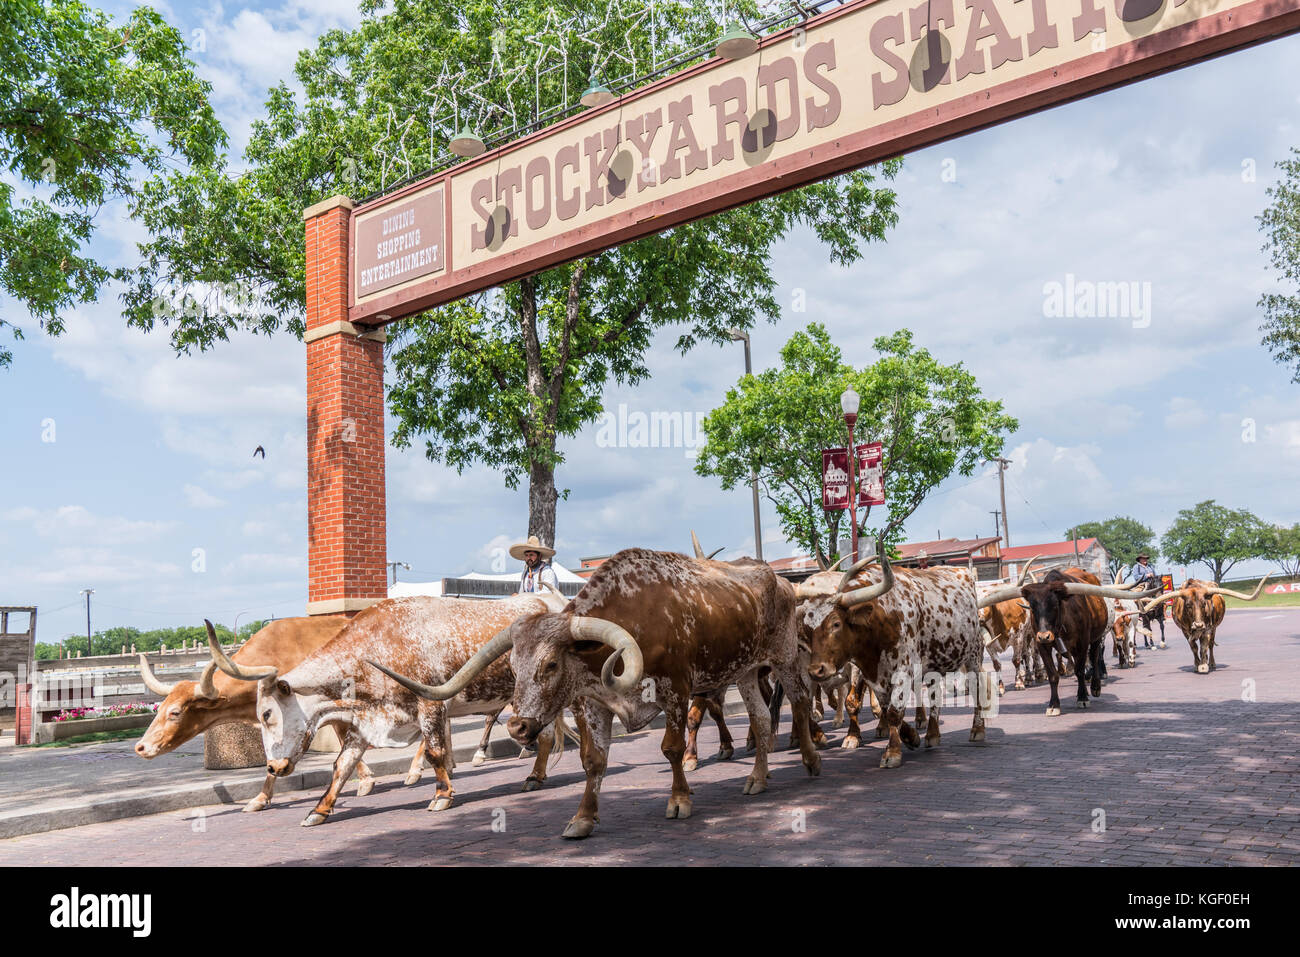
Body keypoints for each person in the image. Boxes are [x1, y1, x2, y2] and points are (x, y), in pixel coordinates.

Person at [1128, 552, 1166, 648]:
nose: (1145, 560)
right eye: (1143, 559)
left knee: (1160, 595)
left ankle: (1161, 612)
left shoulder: (1150, 566)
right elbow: (1136, 577)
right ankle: (1139, 610)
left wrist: (1153, 576)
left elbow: (1156, 576)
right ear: (1139, 559)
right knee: (1137, 596)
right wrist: (1146, 576)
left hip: (1152, 584)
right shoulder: (1137, 567)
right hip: (1142, 584)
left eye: (1146, 559)